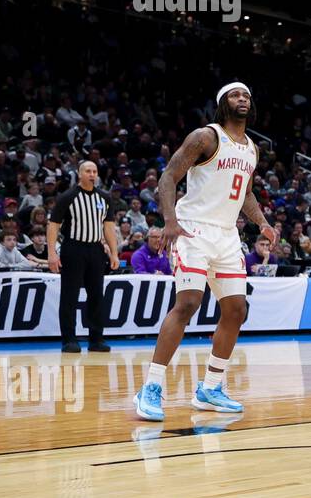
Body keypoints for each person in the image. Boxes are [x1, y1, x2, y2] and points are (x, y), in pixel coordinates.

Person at [133, 82, 274, 421]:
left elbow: (247, 194)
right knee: (189, 303)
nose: (242, 99)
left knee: (237, 309)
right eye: (235, 95)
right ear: (223, 104)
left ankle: (210, 387)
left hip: (226, 235)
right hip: (192, 228)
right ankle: (150, 387)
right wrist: (169, 220)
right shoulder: (206, 137)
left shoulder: (251, 148)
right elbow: (168, 177)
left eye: (246, 95)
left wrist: (263, 223)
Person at [47, 160, 117, 353]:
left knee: (96, 295)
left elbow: (109, 227)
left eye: (94, 171)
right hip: (73, 248)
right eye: (88, 171)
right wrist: (52, 253)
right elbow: (53, 226)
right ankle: (69, 339)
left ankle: (96, 339)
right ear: (79, 174)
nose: (92, 174)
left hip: (96, 249)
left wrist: (114, 252)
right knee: (70, 295)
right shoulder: (67, 197)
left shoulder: (104, 197)